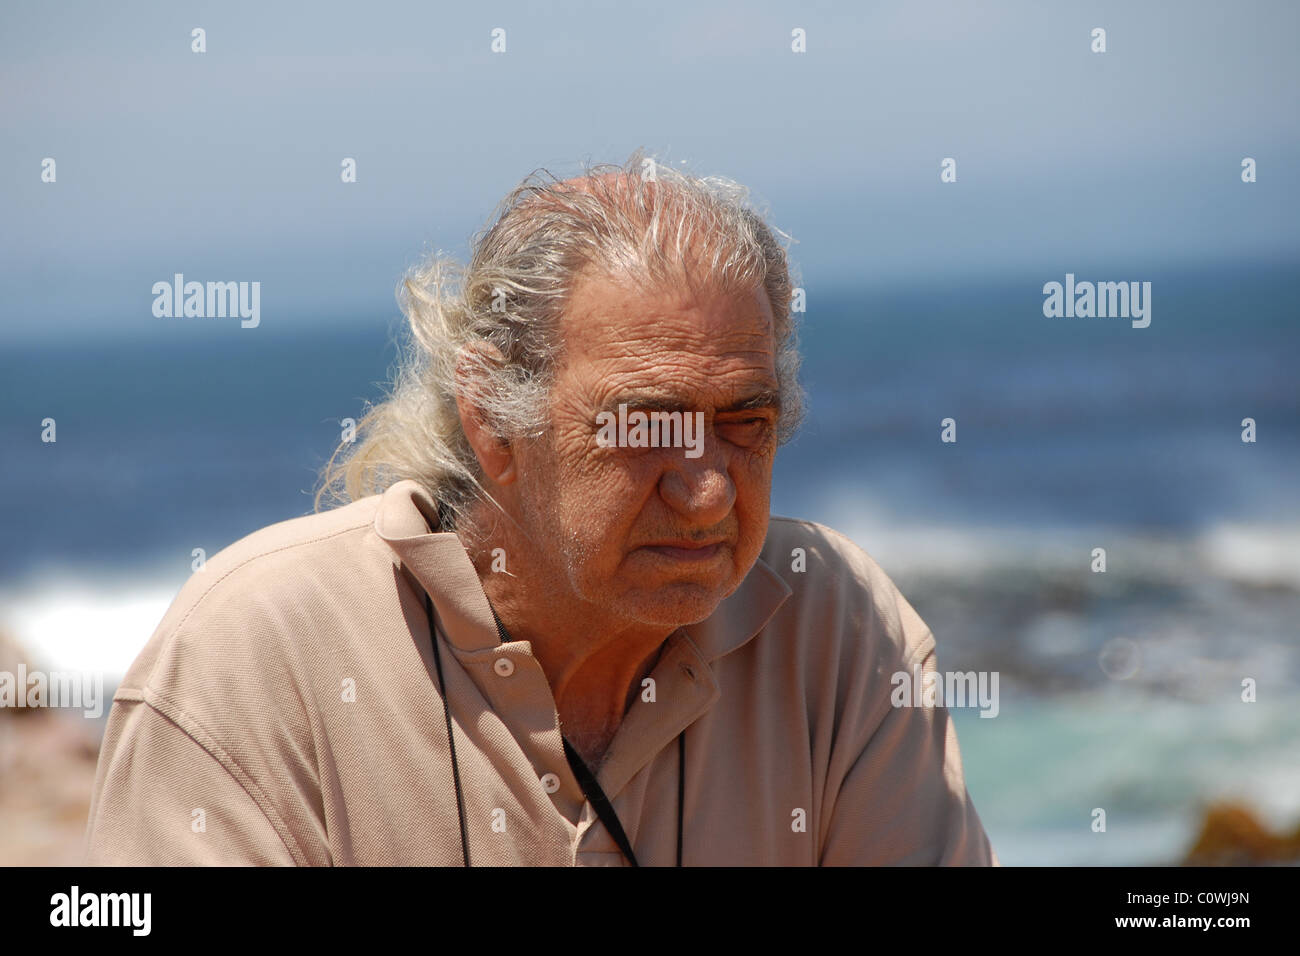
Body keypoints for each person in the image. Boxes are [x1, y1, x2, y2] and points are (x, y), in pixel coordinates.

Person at [84, 151, 998, 866]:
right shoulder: (257, 651)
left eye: (744, 424)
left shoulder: (839, 631)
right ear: (491, 419)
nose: (710, 490)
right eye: (644, 427)